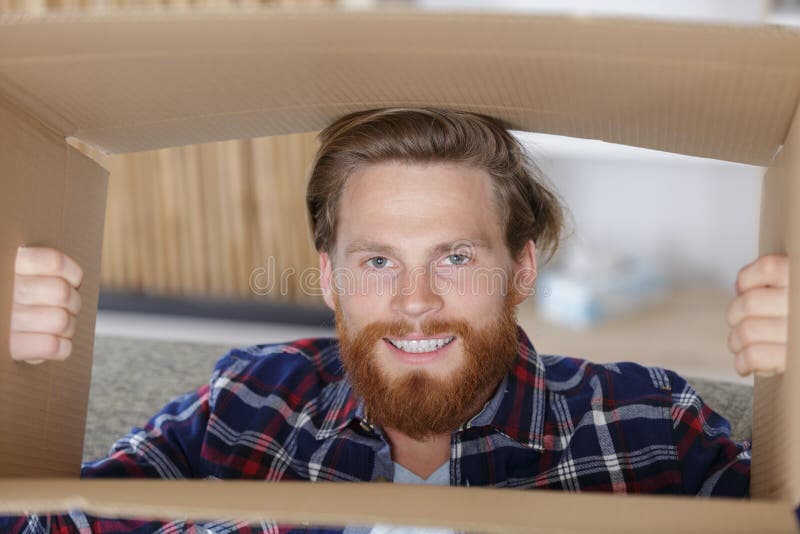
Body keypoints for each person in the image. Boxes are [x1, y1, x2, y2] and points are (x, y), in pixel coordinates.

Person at [3, 108, 791, 533]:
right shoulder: (247, 400)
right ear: (330, 278)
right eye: (378, 260)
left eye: (456, 256)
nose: (415, 301)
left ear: (522, 270)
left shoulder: (648, 422)